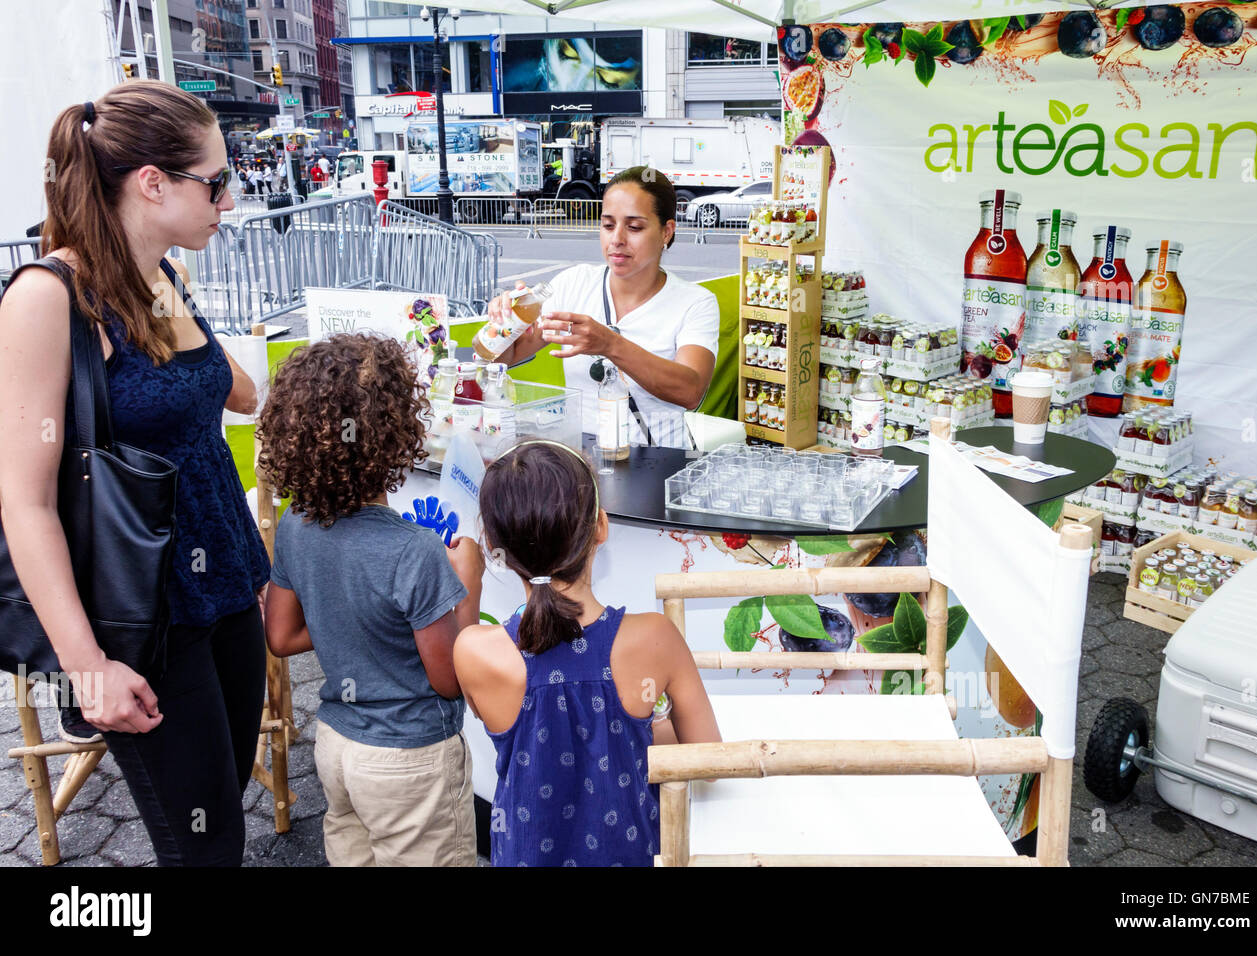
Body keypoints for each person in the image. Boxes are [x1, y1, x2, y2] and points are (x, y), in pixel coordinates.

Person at [0, 80, 268, 866]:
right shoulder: (49, 299)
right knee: (204, 845)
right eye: (216, 182)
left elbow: (231, 391)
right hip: (144, 619)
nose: (229, 198)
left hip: (225, 590)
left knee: (224, 810)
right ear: (153, 183)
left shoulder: (162, 275)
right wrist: (88, 670)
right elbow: (22, 501)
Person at [259, 333, 483, 867]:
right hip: (411, 761)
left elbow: (282, 635)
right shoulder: (415, 552)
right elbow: (450, 679)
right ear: (397, 432)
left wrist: (357, 613)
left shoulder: (295, 522)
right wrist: (467, 584)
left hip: (336, 748)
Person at [453, 441, 721, 866]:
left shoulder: (472, 651)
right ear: (600, 526)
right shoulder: (655, 638)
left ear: (494, 547)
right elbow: (708, 759)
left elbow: (555, 731)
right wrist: (645, 725)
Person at [483, 166, 719, 450]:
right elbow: (502, 357)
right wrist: (503, 323)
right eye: (608, 225)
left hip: (658, 462)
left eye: (634, 227)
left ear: (666, 231)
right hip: (582, 462)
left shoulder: (695, 302)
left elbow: (690, 390)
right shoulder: (574, 283)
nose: (617, 239)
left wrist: (610, 344)